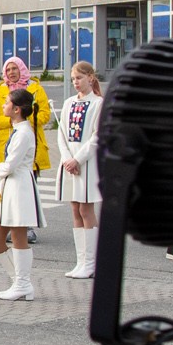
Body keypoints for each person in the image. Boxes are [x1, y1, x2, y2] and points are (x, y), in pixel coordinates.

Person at [50, 62, 104, 280]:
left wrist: (78, 159)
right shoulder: (69, 103)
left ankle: (91, 262)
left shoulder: (99, 103)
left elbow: (97, 136)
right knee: (75, 210)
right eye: (73, 79)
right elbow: (61, 134)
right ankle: (81, 260)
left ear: (90, 78)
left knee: (86, 209)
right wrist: (66, 159)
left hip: (86, 163)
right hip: (70, 163)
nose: (75, 82)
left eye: (79, 78)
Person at [0, 86, 43, 298]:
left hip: (19, 187)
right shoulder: (18, 131)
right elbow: (7, 164)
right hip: (9, 186)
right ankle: (19, 281)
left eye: (7, 103)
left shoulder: (23, 133)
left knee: (18, 236)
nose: (3, 105)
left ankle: (22, 284)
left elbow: (11, 166)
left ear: (16, 110)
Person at [0, 56, 53, 190]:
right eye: (8, 69)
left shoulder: (36, 90)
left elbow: (45, 115)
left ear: (21, 68)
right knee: (4, 190)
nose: (11, 72)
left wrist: (23, 119)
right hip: (3, 145)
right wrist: (11, 121)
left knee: (28, 188)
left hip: (30, 144)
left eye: (14, 68)